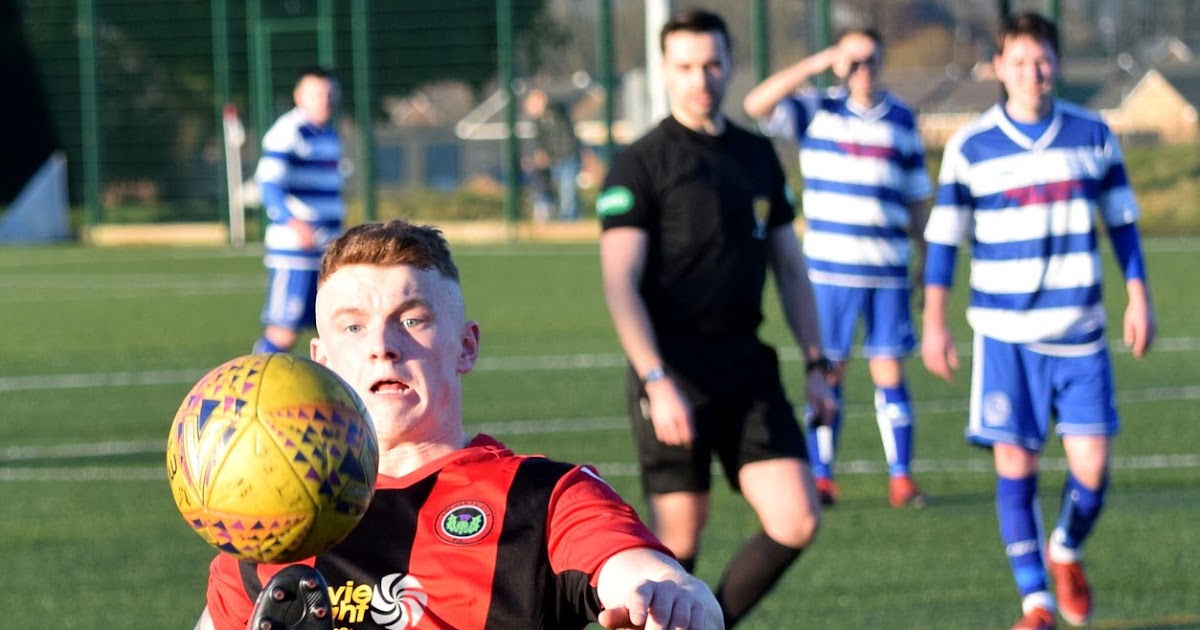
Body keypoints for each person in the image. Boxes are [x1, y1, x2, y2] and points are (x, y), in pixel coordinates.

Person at [196, 220, 723, 630]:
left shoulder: (546, 498)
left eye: (412, 319)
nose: (383, 345)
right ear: (322, 360)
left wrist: (672, 596)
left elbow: (646, 575)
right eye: (353, 325)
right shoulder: (266, 526)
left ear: (465, 346)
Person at [596, 9, 836, 628]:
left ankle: (713, 623)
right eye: (685, 67)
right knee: (675, 547)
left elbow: (789, 266)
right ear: (665, 72)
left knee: (797, 518)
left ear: (729, 65)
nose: (701, 78)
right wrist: (656, 380)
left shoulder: (757, 156)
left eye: (711, 63)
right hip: (674, 367)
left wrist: (816, 360)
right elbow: (620, 282)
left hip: (747, 365)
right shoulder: (640, 163)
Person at [921, 13, 1155, 630]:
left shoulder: (1093, 134)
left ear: (1057, 63)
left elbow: (1122, 223)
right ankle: (1036, 602)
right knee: (1015, 468)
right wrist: (935, 321)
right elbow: (945, 240)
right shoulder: (971, 144)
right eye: (1019, 61)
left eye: (1042, 60)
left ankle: (1066, 549)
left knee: (1093, 473)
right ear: (998, 68)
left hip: (1080, 335)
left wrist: (1139, 297)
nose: (1033, 73)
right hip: (1005, 338)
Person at [742, 28, 933, 508]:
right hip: (830, 271)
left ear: (883, 60)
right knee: (830, 371)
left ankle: (902, 477)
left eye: (869, 59)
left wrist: (927, 258)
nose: (861, 69)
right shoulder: (815, 109)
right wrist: (818, 62)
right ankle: (822, 475)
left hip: (887, 269)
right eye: (851, 60)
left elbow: (916, 199)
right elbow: (755, 105)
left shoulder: (901, 119)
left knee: (890, 371)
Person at [252, 66, 344, 356]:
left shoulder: (327, 134)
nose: (324, 100)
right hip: (296, 252)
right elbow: (267, 184)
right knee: (283, 331)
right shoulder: (288, 132)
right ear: (299, 96)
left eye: (329, 93)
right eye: (316, 93)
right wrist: (293, 223)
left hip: (327, 249)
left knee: (336, 328)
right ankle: (253, 396)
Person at [523, 87, 583, 221]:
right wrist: (541, 154)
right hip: (554, 159)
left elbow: (560, 103)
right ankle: (561, 217)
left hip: (568, 156)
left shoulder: (556, 110)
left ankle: (570, 221)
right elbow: (540, 141)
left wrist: (544, 102)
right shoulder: (538, 121)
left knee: (568, 191)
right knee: (557, 191)